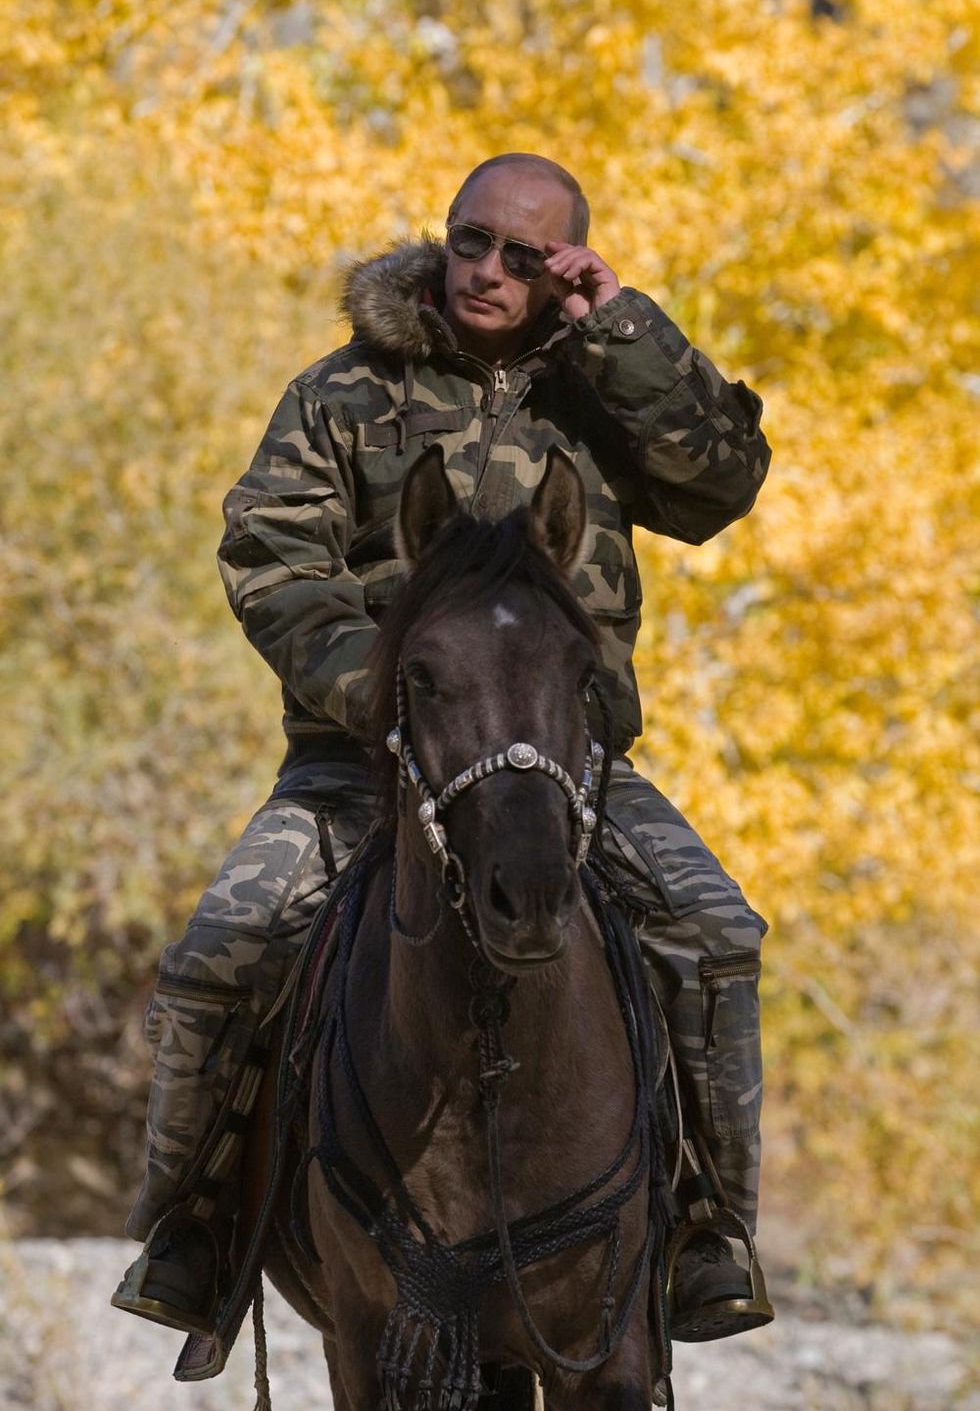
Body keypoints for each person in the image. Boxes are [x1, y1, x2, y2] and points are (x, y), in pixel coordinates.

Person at [112, 153, 774, 1345]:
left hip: (567, 775)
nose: (486, 270)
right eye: (471, 240)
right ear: (445, 236)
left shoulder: (599, 391)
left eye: (524, 256)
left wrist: (619, 325)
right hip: (360, 764)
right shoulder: (340, 395)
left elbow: (717, 482)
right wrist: (379, 695)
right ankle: (194, 1230)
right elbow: (269, 556)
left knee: (714, 934)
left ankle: (706, 1230)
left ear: (562, 268)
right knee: (218, 953)